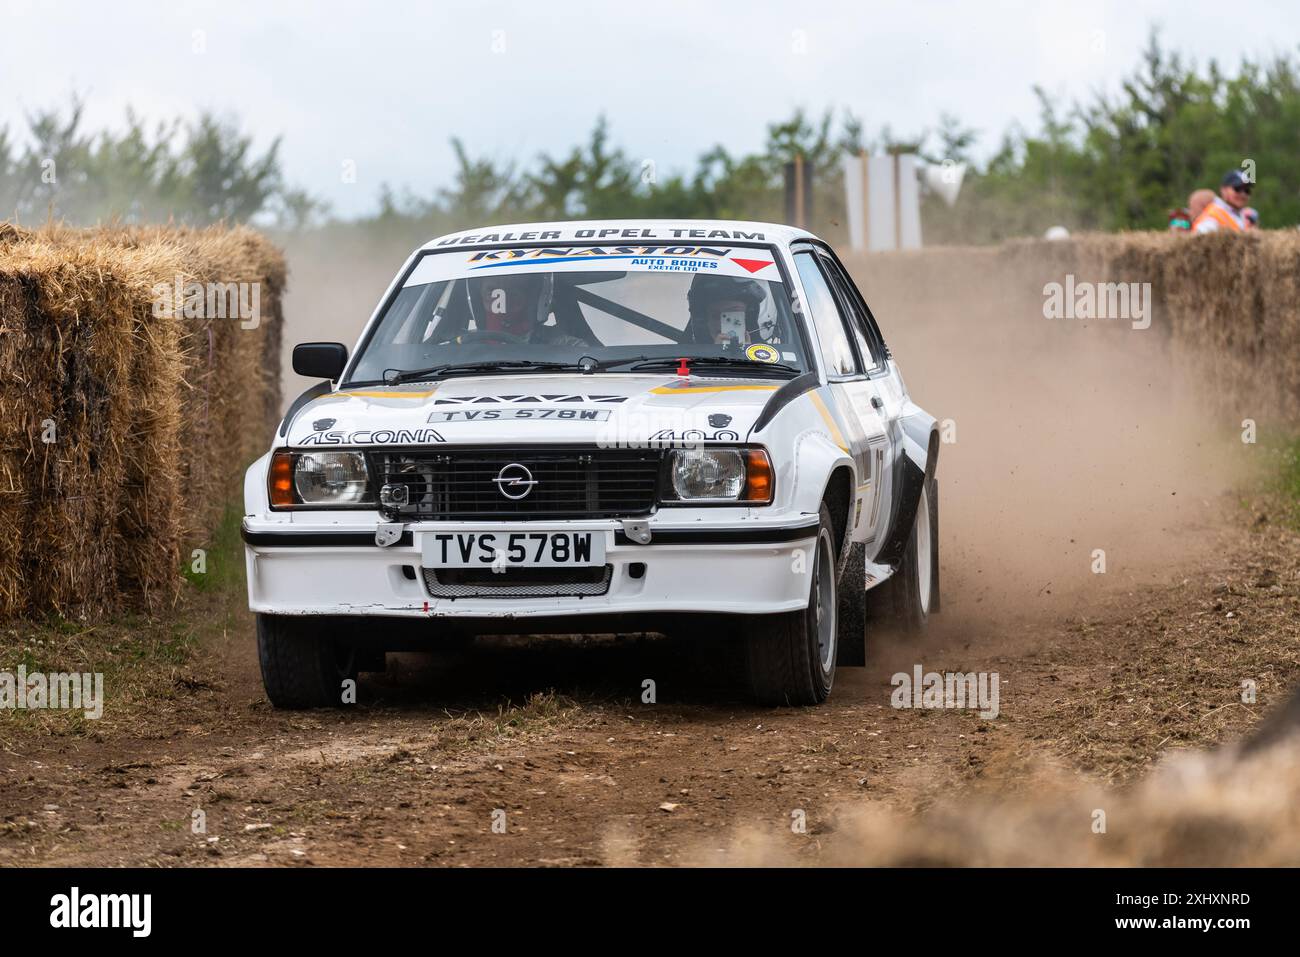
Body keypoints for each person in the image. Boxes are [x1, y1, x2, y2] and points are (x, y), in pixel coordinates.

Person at [466, 272, 589, 347]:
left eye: (513, 292)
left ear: (533, 299)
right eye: (492, 291)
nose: (503, 299)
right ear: (479, 297)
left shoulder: (566, 346)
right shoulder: (460, 346)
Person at [686, 273, 767, 346]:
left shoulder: (771, 358)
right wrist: (715, 355)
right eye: (715, 316)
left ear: (749, 319)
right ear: (706, 322)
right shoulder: (688, 358)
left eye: (733, 315)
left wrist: (749, 355)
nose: (722, 323)